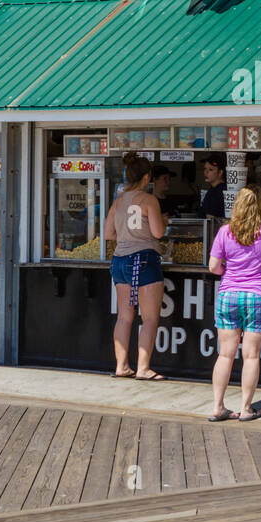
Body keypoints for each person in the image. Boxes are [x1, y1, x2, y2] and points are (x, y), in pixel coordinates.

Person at [207, 185, 261, 422]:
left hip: (229, 295)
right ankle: (246, 408)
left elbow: (213, 267)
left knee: (225, 355)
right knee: (251, 356)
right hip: (258, 295)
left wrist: (231, 269)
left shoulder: (224, 232)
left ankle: (218, 407)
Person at [104, 152, 168, 380]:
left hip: (120, 260)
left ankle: (121, 366)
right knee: (149, 318)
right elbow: (159, 232)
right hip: (144, 259)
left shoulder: (118, 202)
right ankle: (143, 368)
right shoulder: (149, 200)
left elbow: (107, 234)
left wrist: (127, 233)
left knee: (124, 316)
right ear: (147, 177)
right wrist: (164, 223)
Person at [197, 153, 228, 221]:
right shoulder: (213, 189)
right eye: (205, 168)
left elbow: (210, 219)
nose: (206, 172)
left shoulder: (218, 192)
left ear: (220, 173)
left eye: (211, 169)